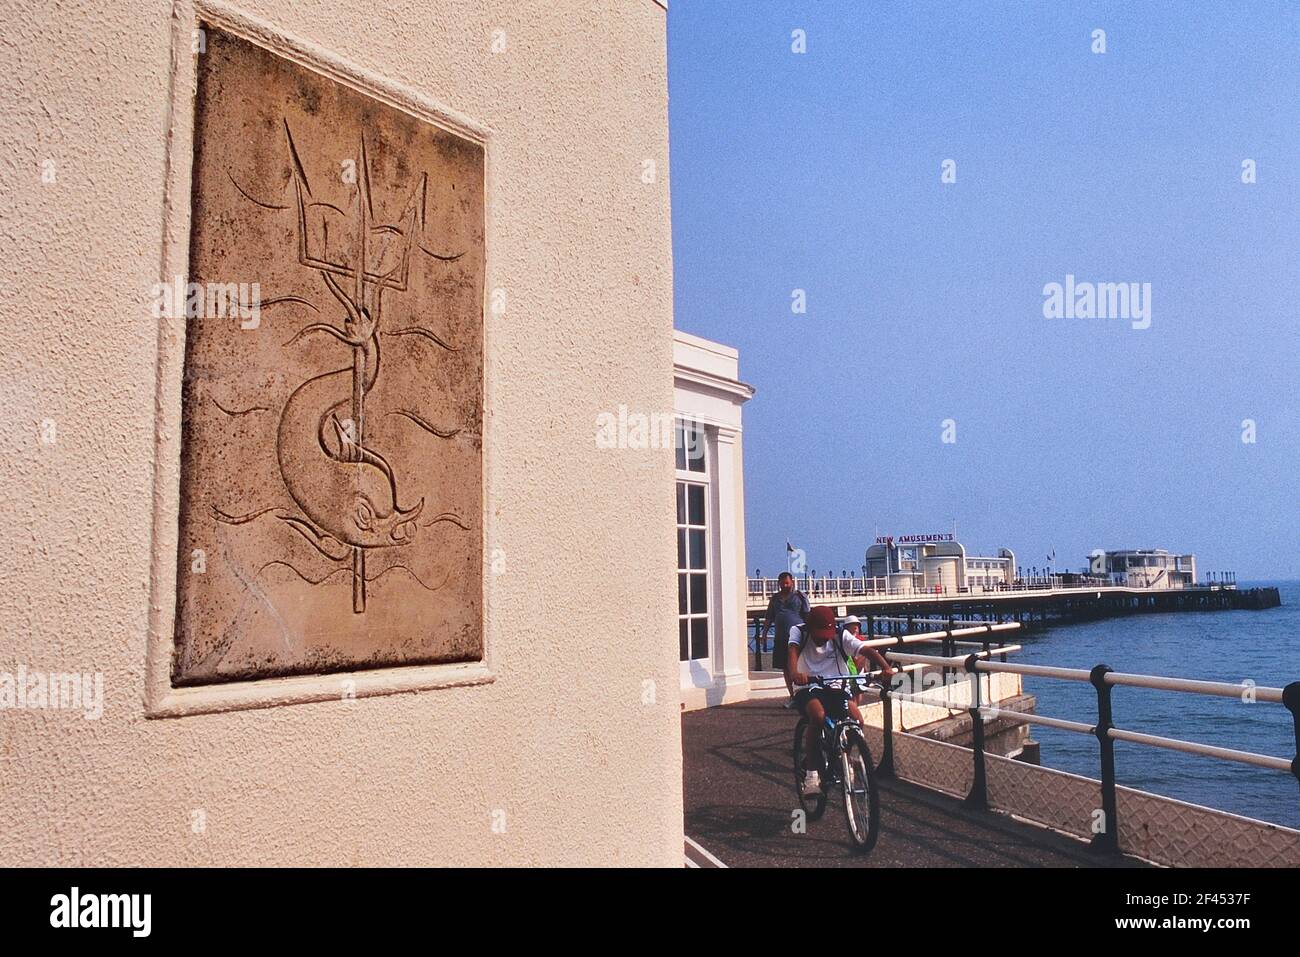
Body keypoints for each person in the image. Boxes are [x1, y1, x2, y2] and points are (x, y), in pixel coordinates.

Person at [786, 606, 876, 796]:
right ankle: (811, 775)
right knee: (818, 716)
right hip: (807, 686)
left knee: (857, 721)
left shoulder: (839, 635)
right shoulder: (799, 631)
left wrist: (885, 668)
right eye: (819, 634)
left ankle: (844, 758)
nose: (824, 638)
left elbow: (864, 649)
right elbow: (792, 652)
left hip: (835, 686)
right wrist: (795, 673)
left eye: (826, 634)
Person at [760, 571, 809, 677]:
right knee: (785, 667)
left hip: (797, 638)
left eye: (787, 583)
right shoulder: (775, 598)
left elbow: (807, 616)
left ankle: (799, 689)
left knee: (799, 664)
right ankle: (791, 692)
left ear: (792, 583)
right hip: (780, 638)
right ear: (779, 584)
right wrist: (764, 634)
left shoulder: (800, 597)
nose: (785, 586)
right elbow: (769, 617)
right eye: (782, 584)